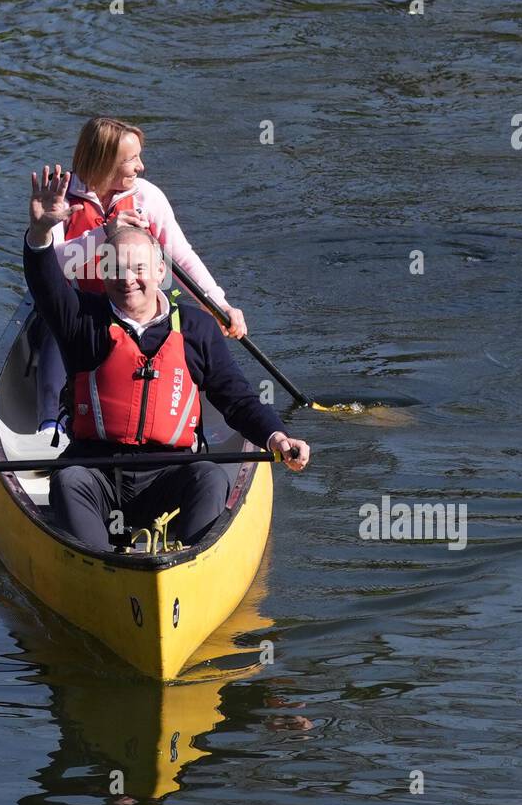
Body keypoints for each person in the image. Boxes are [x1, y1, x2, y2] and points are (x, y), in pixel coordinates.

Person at [25, 165, 310, 554]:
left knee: (210, 477)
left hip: (170, 475)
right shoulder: (82, 320)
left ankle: (189, 562)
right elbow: (45, 284)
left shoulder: (195, 329)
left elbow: (236, 398)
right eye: (115, 268)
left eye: (139, 268)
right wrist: (41, 232)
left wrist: (277, 436)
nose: (128, 279)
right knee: (67, 480)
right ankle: (100, 564)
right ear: (102, 272)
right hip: (96, 473)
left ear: (161, 271)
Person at [33, 116, 249, 446]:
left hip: (137, 308)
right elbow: (52, 264)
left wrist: (217, 303)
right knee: (51, 325)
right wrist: (102, 233)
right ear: (105, 162)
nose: (141, 166)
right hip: (81, 311)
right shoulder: (60, 200)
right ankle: (50, 424)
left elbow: (182, 259)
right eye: (131, 159)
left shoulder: (148, 198)